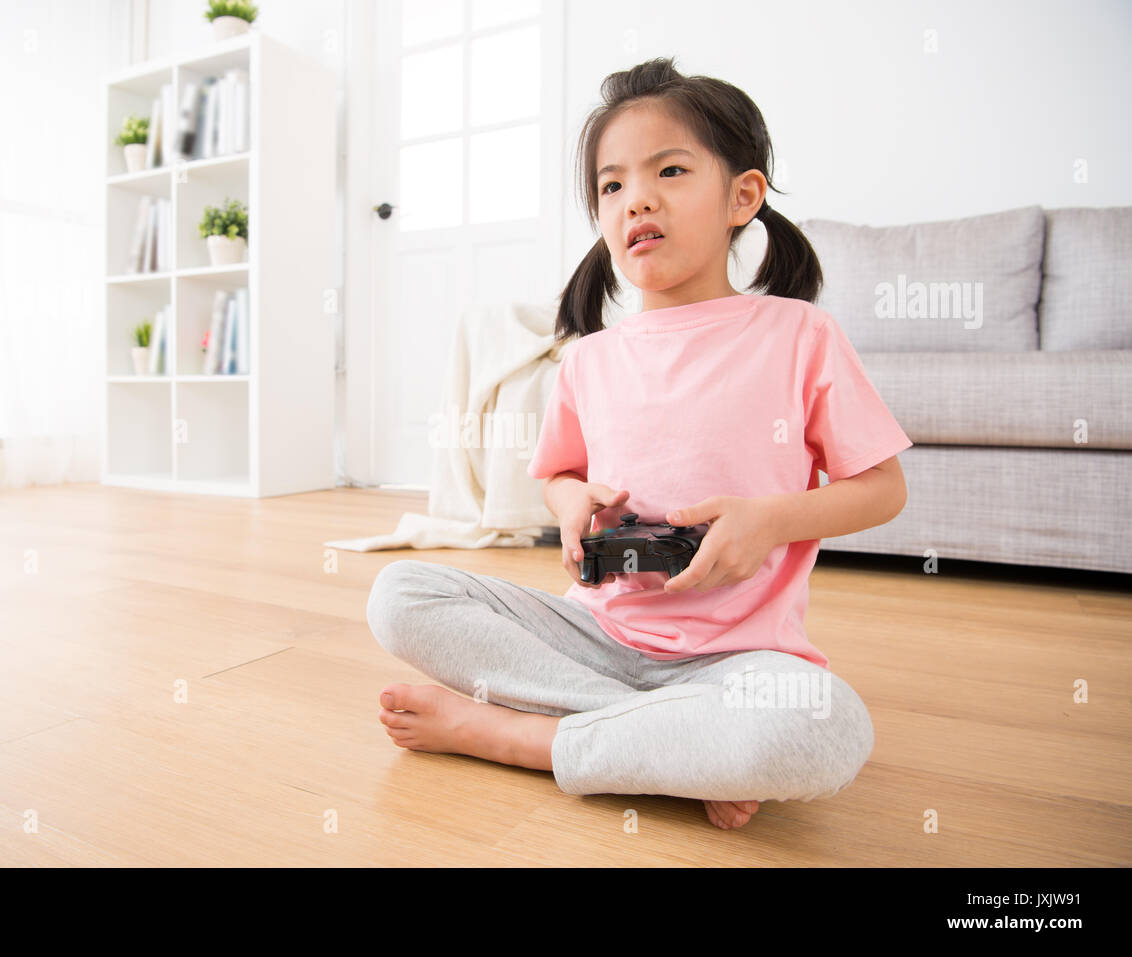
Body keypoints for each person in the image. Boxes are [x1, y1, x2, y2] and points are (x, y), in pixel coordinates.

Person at [365, 57, 912, 831]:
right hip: (596, 634)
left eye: (671, 170)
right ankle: (664, 742)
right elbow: (557, 471)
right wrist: (571, 500)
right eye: (612, 185)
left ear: (742, 196)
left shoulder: (801, 335)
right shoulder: (590, 357)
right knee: (399, 596)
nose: (637, 199)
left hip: (737, 658)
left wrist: (770, 520)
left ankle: (526, 735)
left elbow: (885, 487)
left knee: (825, 725)